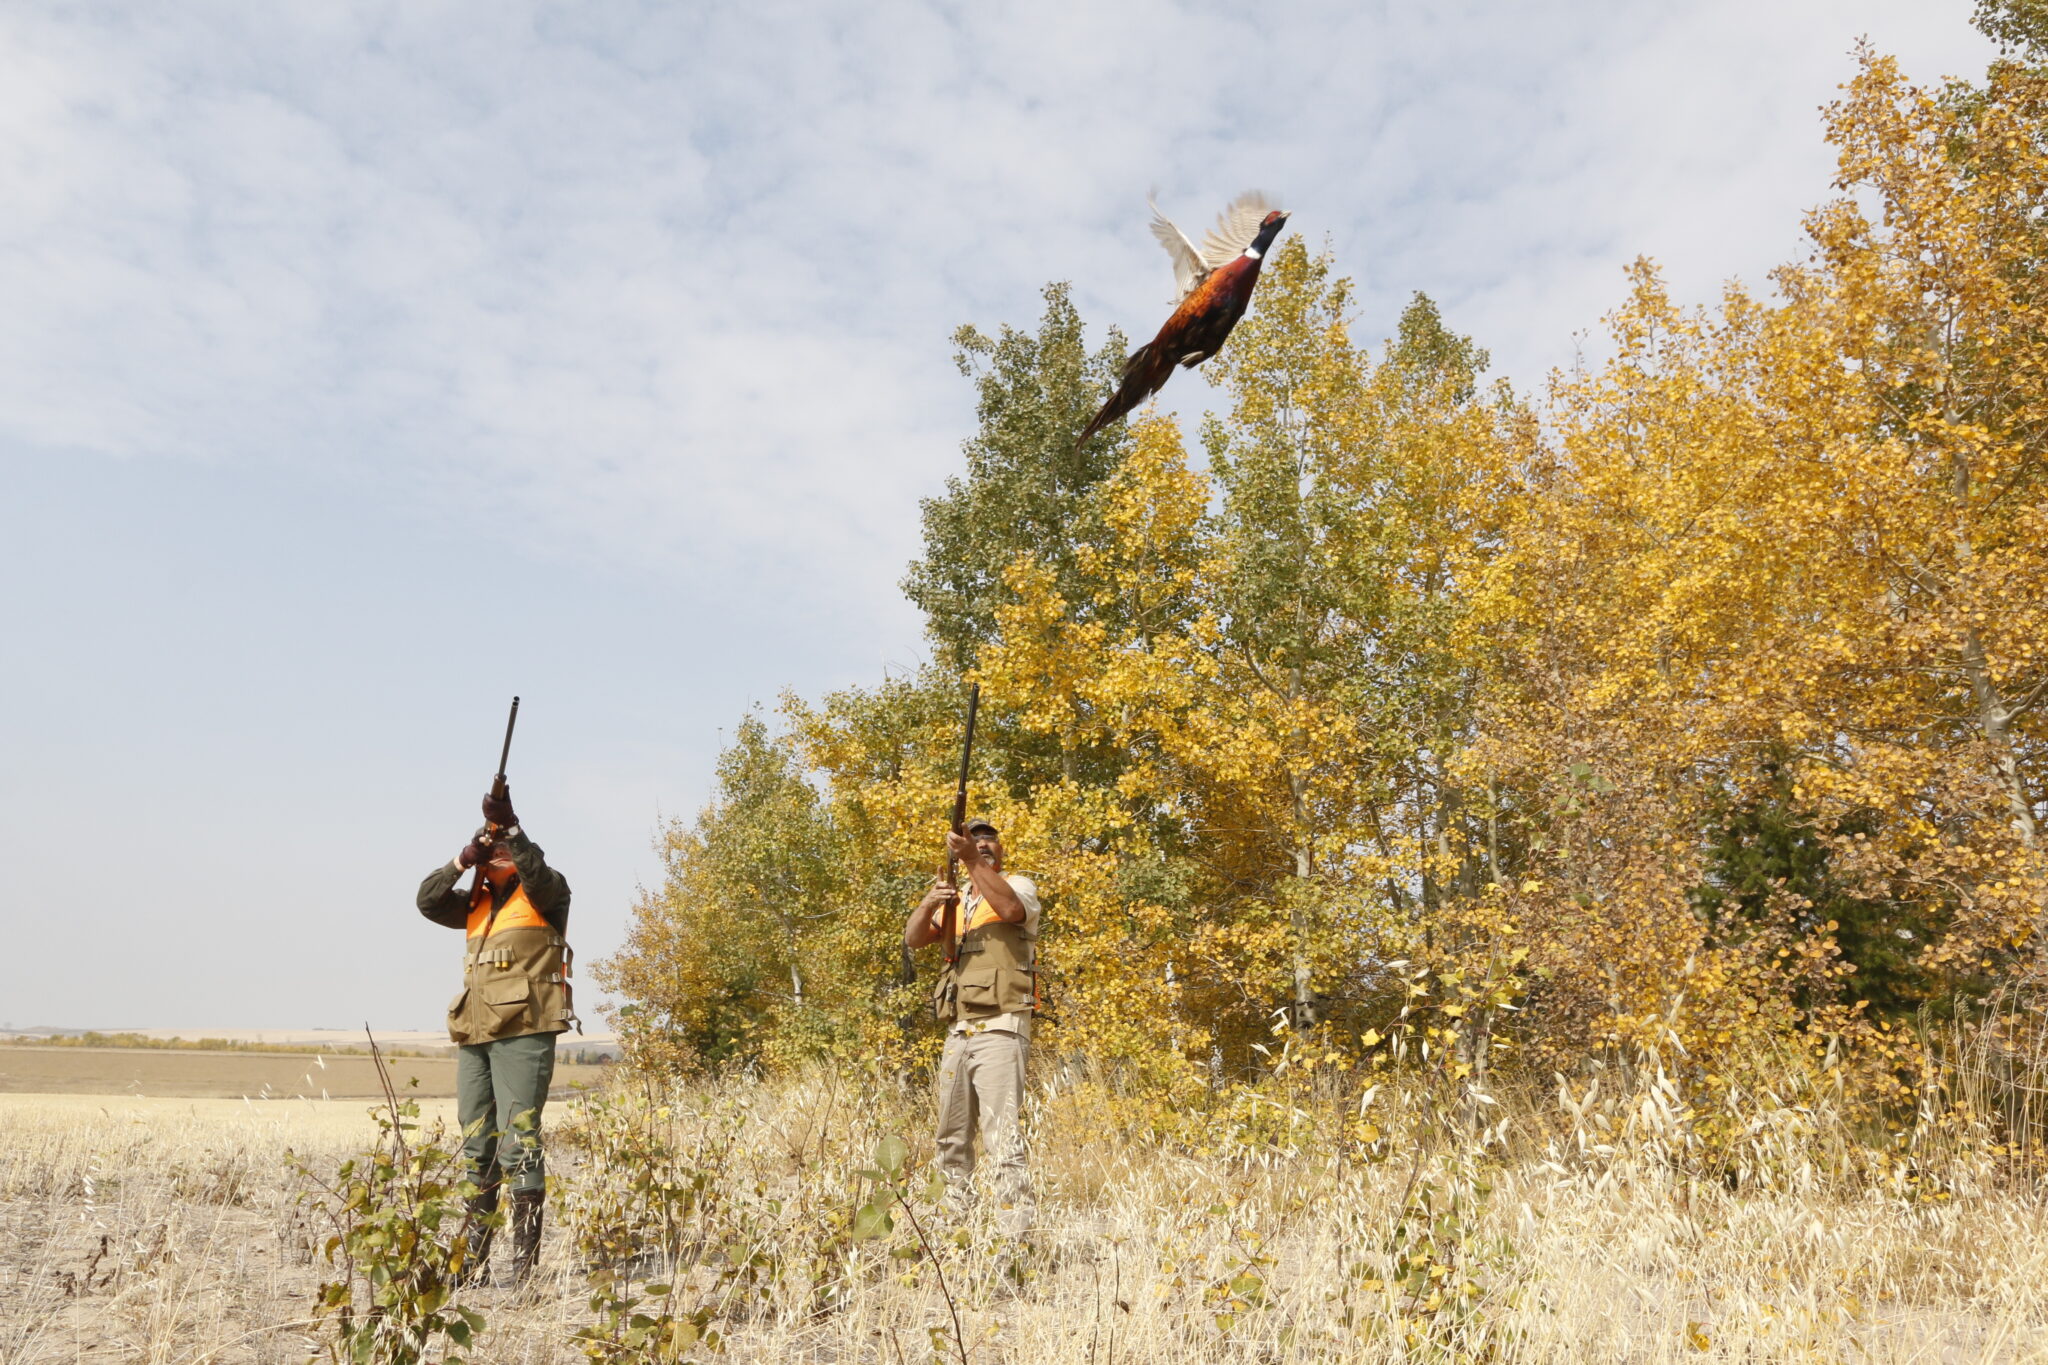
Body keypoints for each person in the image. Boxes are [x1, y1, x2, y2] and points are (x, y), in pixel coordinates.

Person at [417, 786, 575, 1286]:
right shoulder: (474, 902)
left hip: (525, 1030)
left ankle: (522, 1272)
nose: (499, 849)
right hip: (475, 1031)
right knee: (476, 1143)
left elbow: (536, 869)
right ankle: (473, 1268)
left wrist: (510, 827)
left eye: (504, 845)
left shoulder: (548, 893)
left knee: (518, 1140)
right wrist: (464, 858)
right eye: (493, 845)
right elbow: (425, 900)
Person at [903, 817, 1040, 1238]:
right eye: (974, 840)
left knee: (1003, 1139)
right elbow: (914, 939)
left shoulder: (1018, 886)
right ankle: (952, 1232)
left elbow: (1012, 911)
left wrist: (967, 859)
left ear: (1001, 851)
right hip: (960, 1030)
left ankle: (1014, 1243)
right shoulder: (959, 900)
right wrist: (929, 902)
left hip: (1001, 1025)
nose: (982, 845)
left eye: (989, 841)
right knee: (951, 1137)